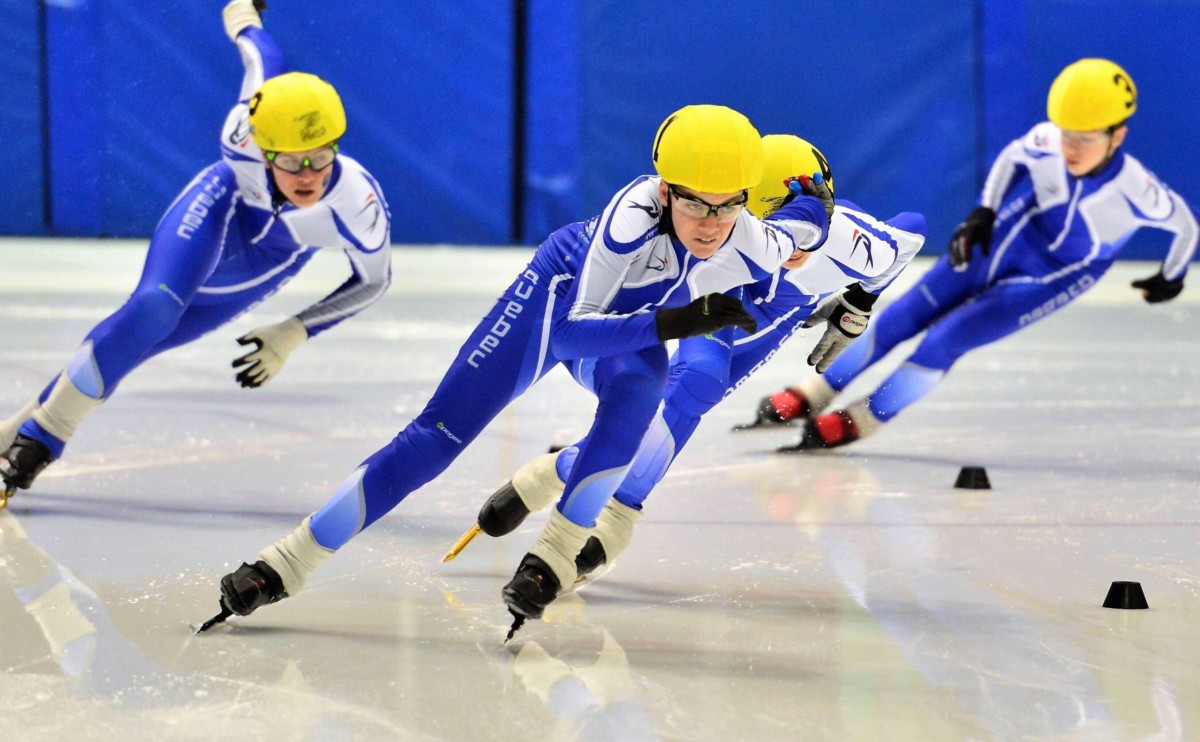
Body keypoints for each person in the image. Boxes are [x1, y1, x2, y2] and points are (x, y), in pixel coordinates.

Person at [206, 104, 833, 630]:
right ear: (665, 190)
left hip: (629, 335)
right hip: (555, 303)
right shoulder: (631, 219)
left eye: (728, 207)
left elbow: (803, 227)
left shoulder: (751, 236)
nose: (710, 225)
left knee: (641, 391)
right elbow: (570, 335)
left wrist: (814, 208)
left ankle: (554, 557)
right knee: (437, 439)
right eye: (695, 205)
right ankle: (287, 561)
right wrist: (676, 322)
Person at [457, 134, 926, 585]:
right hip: (724, 300)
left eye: (795, 234)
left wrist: (859, 304)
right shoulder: (715, 237)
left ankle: (561, 476)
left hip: (767, 321)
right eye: (758, 230)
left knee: (694, 394)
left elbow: (910, 233)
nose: (781, 248)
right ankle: (612, 510)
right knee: (697, 378)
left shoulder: (850, 240)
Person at [0, 0, 392, 503]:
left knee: (144, 342)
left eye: (322, 156)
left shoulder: (356, 202)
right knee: (153, 308)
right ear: (261, 147)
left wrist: (295, 330)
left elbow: (375, 279)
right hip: (221, 204)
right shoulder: (242, 130)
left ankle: (15, 430)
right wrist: (241, 10)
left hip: (272, 256)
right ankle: (37, 442)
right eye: (292, 162)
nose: (310, 176)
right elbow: (259, 53)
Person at [745, 58, 1197, 451]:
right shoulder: (1048, 140)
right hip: (1006, 236)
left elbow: (1185, 225)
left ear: (1119, 136)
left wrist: (1172, 275)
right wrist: (984, 211)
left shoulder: (1137, 190)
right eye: (1066, 135)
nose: (1070, 148)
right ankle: (816, 389)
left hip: (1055, 275)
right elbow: (1012, 161)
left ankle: (865, 419)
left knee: (946, 340)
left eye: (1086, 138)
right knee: (903, 316)